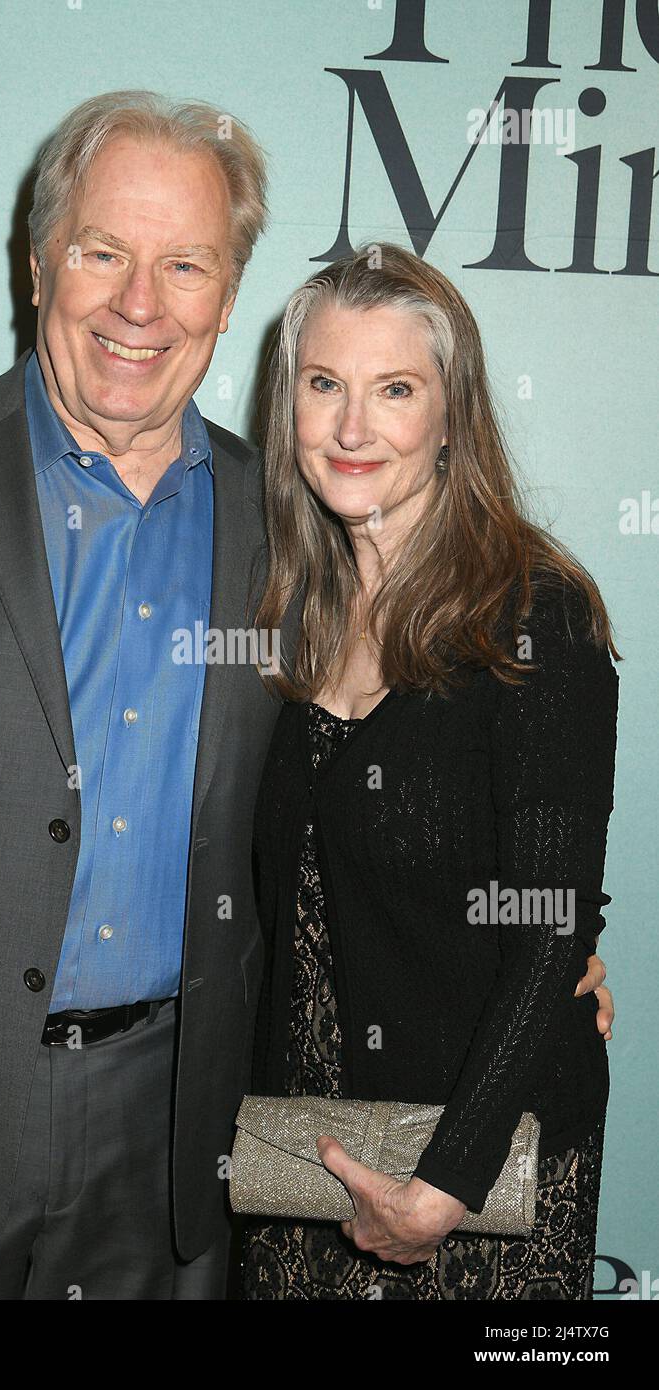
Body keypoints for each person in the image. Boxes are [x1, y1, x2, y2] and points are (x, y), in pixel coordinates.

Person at [0, 93, 612, 1302]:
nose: (140, 303)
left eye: (186, 265)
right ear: (36, 265)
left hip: (176, 1157)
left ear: (226, 301)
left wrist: (550, 959)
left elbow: (419, 814)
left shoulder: (280, 531)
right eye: (103, 252)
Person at [241, 243, 619, 1300]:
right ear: (289, 408)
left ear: (450, 417)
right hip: (298, 1161)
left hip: (474, 1177)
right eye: (323, 385)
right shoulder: (285, 612)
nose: (352, 426)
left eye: (393, 389)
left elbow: (550, 920)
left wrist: (445, 1183)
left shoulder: (531, 613)